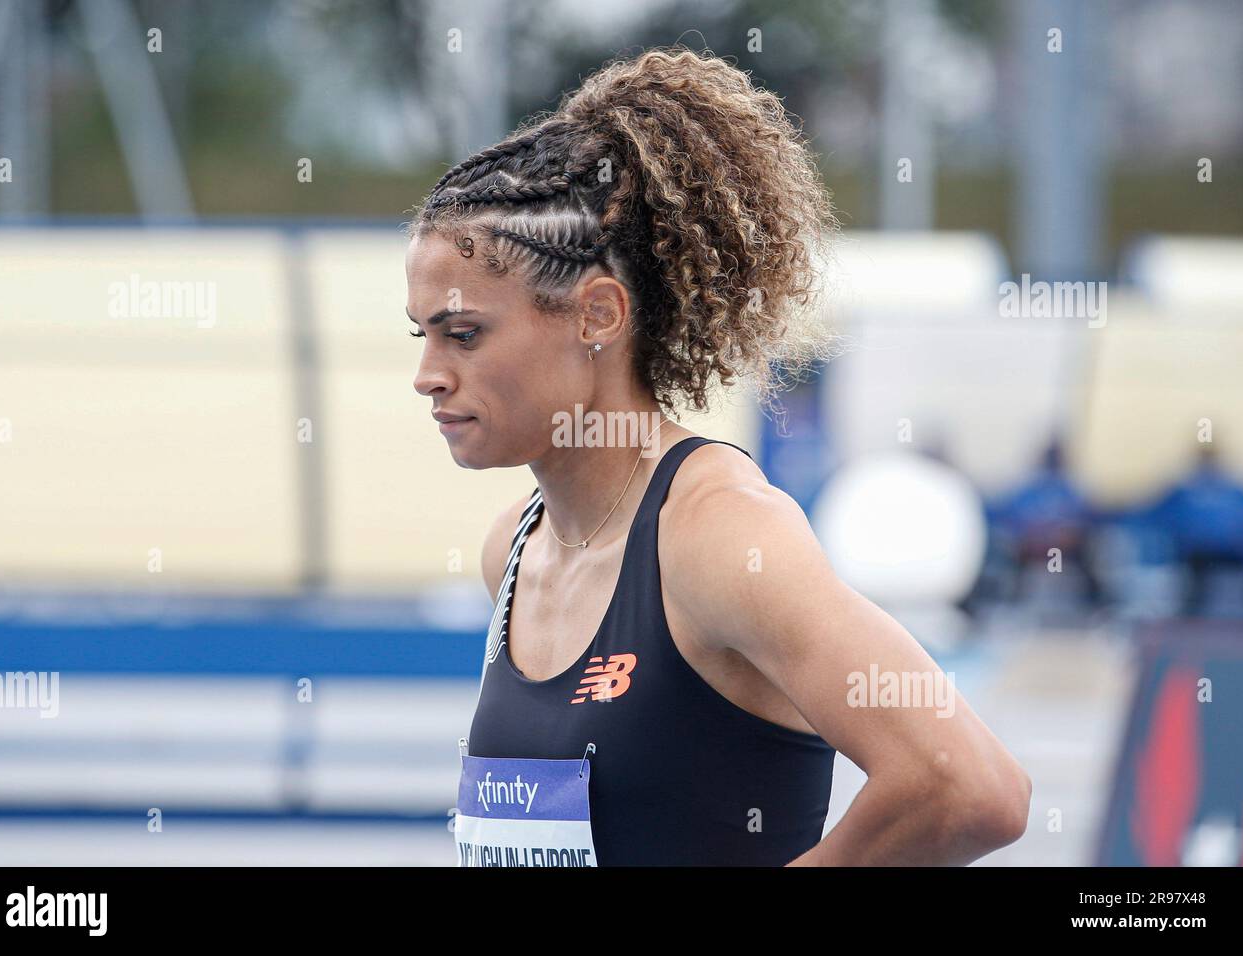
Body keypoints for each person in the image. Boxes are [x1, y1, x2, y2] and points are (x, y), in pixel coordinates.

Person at [406, 46, 1030, 866]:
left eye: (464, 334)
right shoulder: (513, 553)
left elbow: (970, 788)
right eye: (422, 337)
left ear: (597, 313)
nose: (427, 377)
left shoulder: (722, 538)